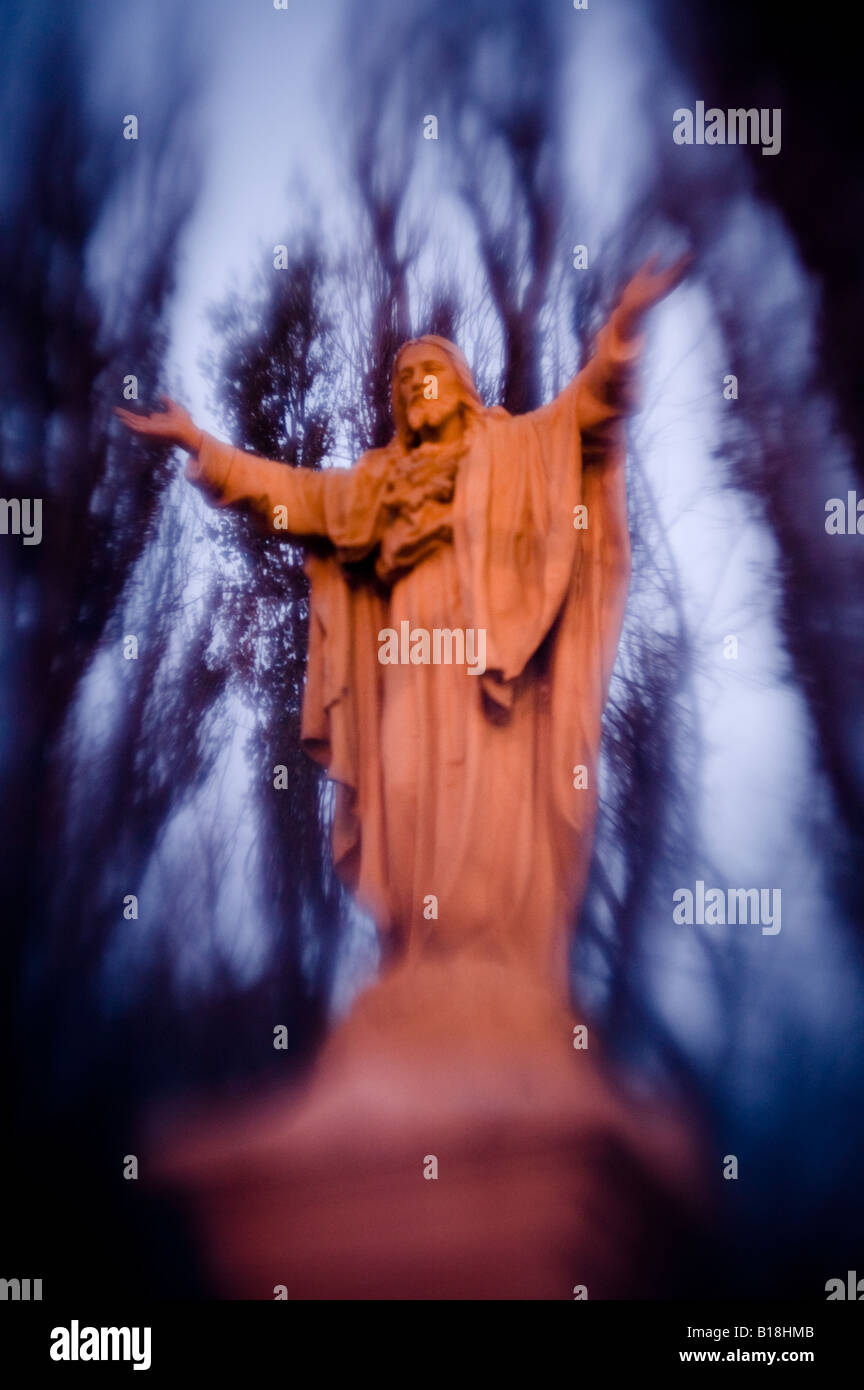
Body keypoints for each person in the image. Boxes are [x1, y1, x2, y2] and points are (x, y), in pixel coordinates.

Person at [116, 254, 689, 999]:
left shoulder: (515, 446)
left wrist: (624, 327)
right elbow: (290, 494)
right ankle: (419, 967)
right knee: (406, 791)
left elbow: (593, 408)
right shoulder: (374, 485)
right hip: (404, 665)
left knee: (486, 800)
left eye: (431, 374)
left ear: (461, 388)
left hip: (491, 664)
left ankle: (491, 972)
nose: (416, 387)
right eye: (404, 381)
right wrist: (202, 446)